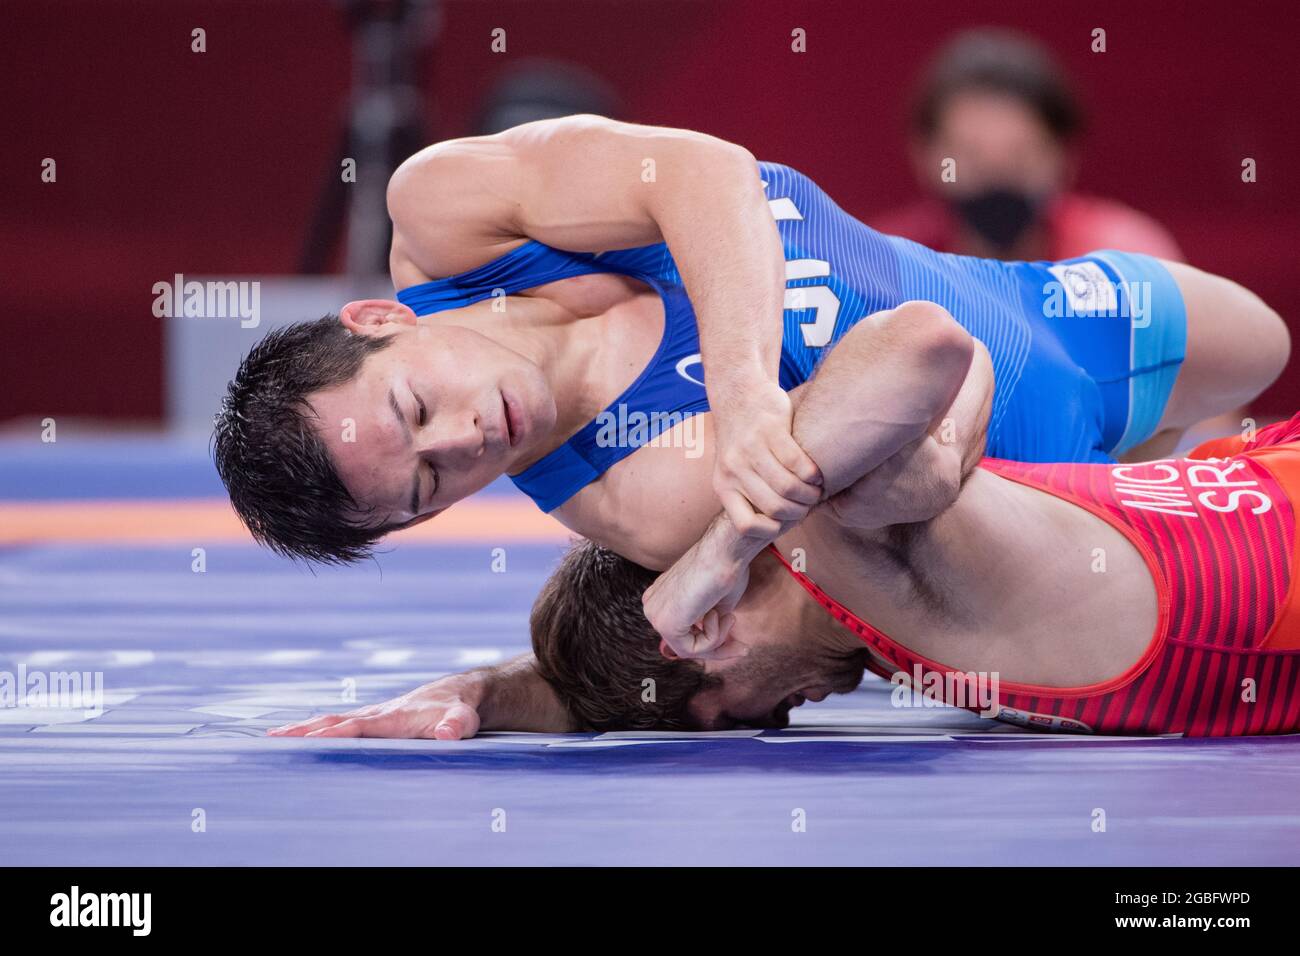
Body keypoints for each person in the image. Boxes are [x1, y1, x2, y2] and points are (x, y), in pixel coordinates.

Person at [215, 115, 1286, 577]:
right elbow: (906, 431)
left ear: (378, 318)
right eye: (430, 485)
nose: (465, 440)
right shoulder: (629, 497)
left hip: (1049, 306)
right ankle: (1161, 484)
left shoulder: (451, 212)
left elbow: (706, 171)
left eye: (415, 409)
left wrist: (743, 390)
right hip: (1058, 484)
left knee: (1264, 342)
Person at [271, 301, 1300, 740]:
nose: (802, 703)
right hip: (1249, 484)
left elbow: (924, 337)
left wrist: (719, 544)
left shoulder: (838, 523)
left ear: (707, 619)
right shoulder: (851, 601)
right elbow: (651, 672)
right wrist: (496, 692)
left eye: (756, 712)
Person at [873, 28, 1185, 263]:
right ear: (924, 155)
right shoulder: (886, 262)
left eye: (1020, 157)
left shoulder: (1121, 259)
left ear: (1064, 157)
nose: (997, 179)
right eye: (971, 156)